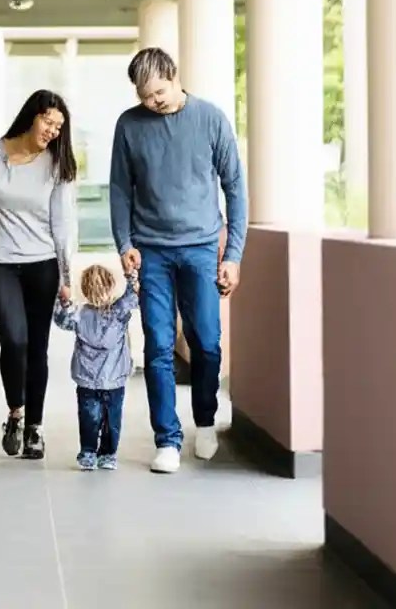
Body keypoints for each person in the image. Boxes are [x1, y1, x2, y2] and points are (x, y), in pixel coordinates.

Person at [109, 47, 247, 475]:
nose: (155, 102)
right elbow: (119, 189)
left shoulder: (211, 119)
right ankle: (166, 438)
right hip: (151, 250)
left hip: (202, 248)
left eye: (160, 91)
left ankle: (204, 421)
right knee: (158, 345)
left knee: (206, 341)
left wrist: (235, 254)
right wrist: (123, 243)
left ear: (174, 76)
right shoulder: (129, 125)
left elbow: (235, 187)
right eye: (146, 96)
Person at [0, 89, 76, 460]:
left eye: (58, 126)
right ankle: (15, 413)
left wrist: (66, 277)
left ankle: (34, 426)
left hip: (43, 264)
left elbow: (63, 222)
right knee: (14, 341)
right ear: (31, 116)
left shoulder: (57, 163)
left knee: (38, 347)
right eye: (48, 121)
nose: (52, 130)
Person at [53, 264, 140, 471]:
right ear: (111, 285)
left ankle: (88, 452)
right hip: (115, 377)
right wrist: (132, 277)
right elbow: (133, 297)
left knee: (88, 417)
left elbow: (61, 320)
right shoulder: (119, 312)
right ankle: (108, 454)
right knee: (113, 420)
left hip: (86, 377)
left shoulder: (79, 315)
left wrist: (62, 301)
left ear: (84, 289)